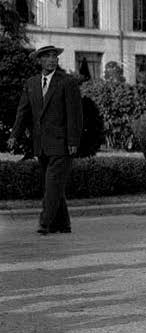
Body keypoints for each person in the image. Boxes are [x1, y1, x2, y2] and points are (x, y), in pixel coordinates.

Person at [9, 45, 83, 234]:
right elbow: (23, 111)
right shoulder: (32, 83)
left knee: (52, 184)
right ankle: (63, 224)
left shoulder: (67, 82)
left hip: (62, 144)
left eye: (54, 57)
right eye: (47, 57)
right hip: (40, 144)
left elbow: (75, 115)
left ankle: (45, 223)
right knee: (54, 185)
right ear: (39, 61)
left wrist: (73, 141)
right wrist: (14, 135)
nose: (52, 60)